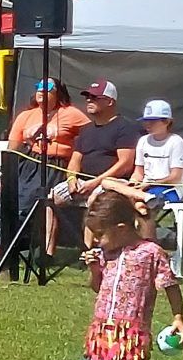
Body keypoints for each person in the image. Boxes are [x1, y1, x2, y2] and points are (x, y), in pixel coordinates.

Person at [67, 190, 183, 360]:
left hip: (131, 333)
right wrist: (94, 270)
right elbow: (97, 287)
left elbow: (170, 285)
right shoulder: (105, 255)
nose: (97, 242)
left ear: (121, 228)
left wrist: (178, 317)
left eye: (100, 235)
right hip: (102, 330)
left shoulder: (150, 253)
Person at [0, 78, 88, 262]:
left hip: (54, 166)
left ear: (58, 93)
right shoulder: (26, 115)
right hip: (28, 164)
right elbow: (12, 149)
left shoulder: (71, 114)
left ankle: (5, 248)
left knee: (27, 202)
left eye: (47, 87)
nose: (41, 90)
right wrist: (4, 177)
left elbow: (92, 136)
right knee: (1, 197)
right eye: (39, 86)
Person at [49, 79, 140, 247]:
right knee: (49, 199)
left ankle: (88, 251)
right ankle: (48, 252)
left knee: (95, 200)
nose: (89, 101)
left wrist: (94, 183)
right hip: (84, 182)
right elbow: (75, 160)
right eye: (88, 97)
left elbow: (125, 164)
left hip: (111, 183)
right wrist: (71, 179)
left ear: (110, 101)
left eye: (95, 97)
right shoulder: (86, 130)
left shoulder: (124, 127)